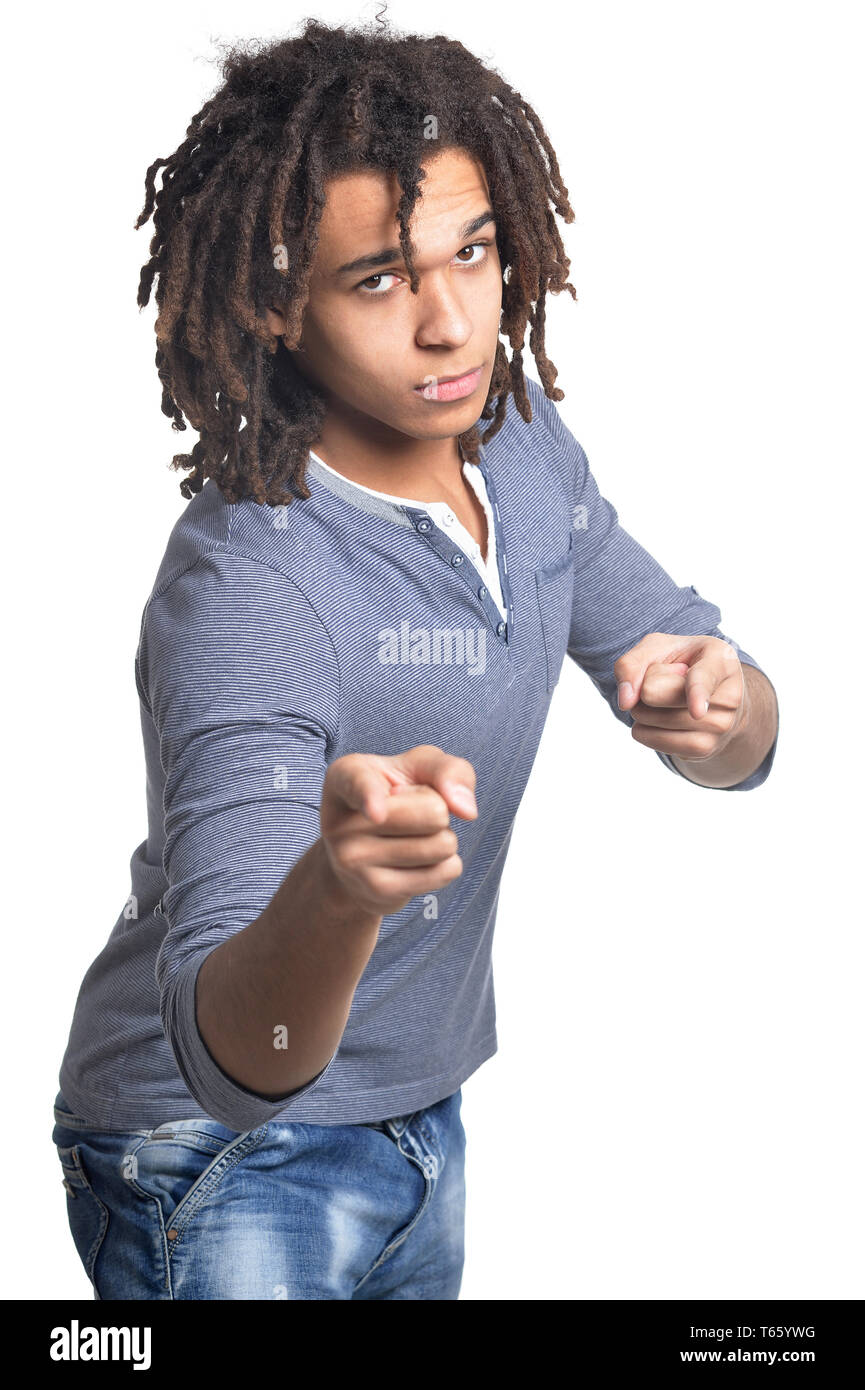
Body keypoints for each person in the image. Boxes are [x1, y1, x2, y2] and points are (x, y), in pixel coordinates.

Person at [52, 17, 780, 1301]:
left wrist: (722, 714)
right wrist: (339, 888)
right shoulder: (248, 586)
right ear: (280, 305)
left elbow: (716, 698)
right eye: (380, 279)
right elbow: (237, 1049)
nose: (451, 323)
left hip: (417, 1116)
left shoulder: (520, 445)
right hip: (213, 1151)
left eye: (474, 252)